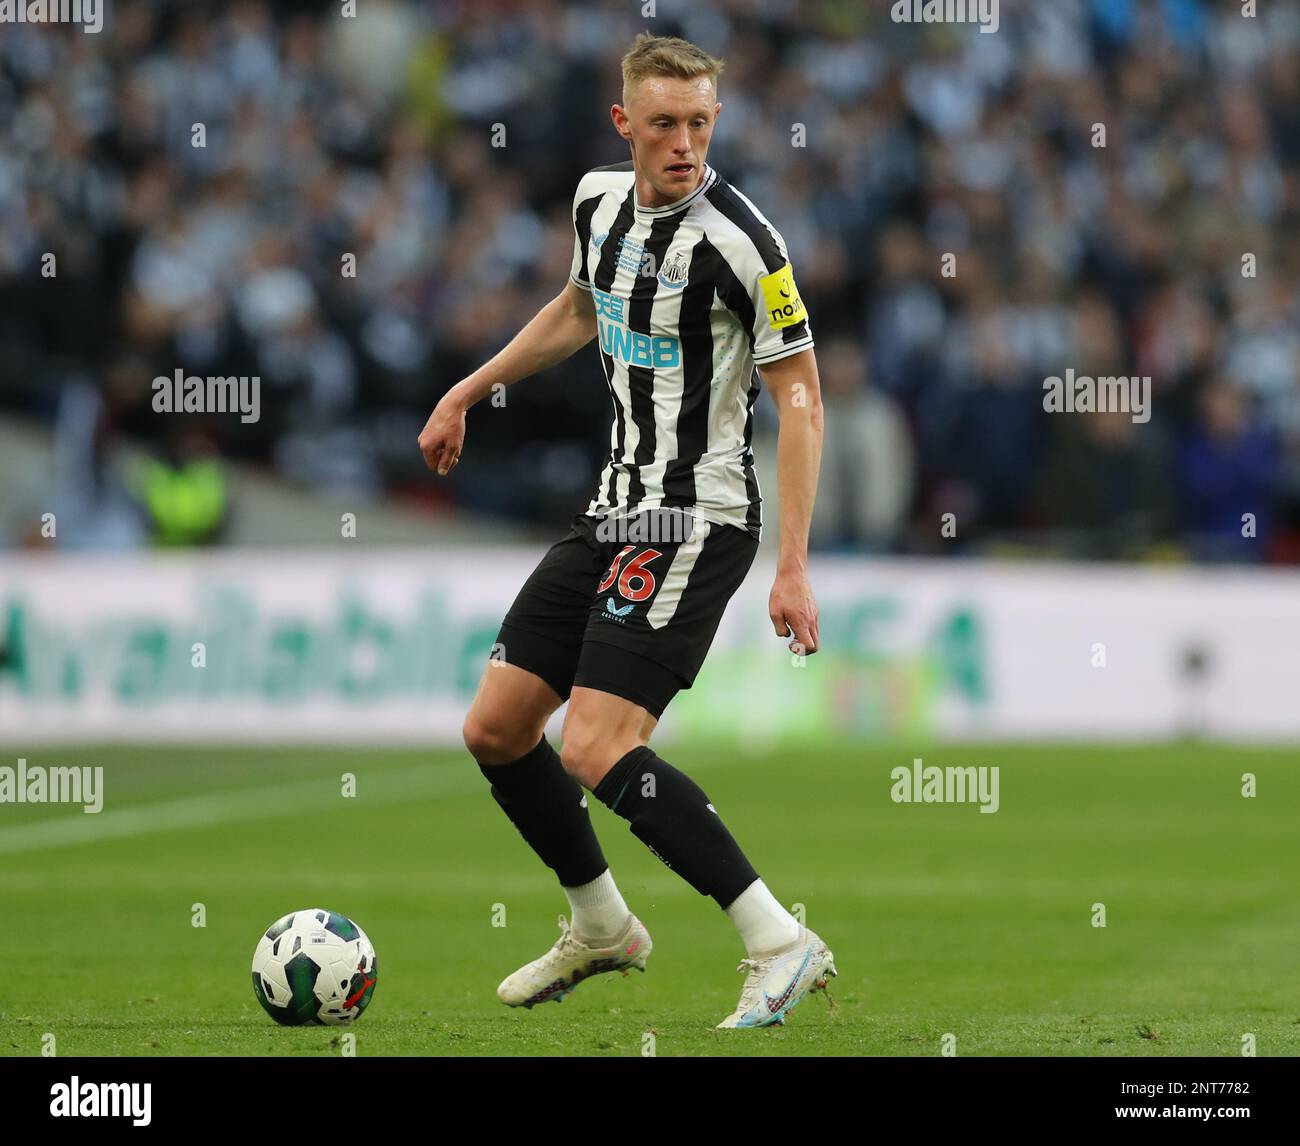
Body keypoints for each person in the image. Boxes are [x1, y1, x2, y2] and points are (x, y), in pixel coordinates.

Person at [418, 33, 834, 1029]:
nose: (683, 143)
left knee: (595, 746)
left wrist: (792, 567)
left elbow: (803, 401)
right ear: (625, 125)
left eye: (699, 123)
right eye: (663, 125)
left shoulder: (745, 243)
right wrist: (469, 389)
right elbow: (575, 307)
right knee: (496, 726)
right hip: (612, 508)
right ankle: (601, 925)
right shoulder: (596, 202)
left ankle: (779, 939)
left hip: (697, 517)